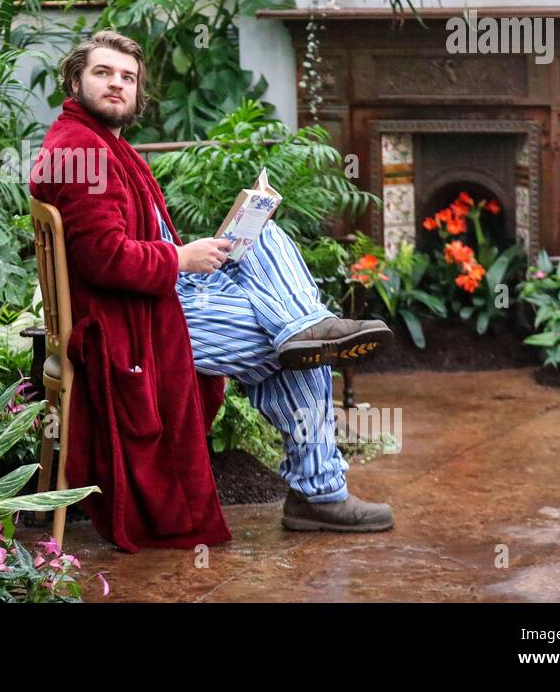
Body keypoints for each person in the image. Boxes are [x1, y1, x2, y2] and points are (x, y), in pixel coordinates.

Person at [28, 30, 395, 553]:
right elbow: (104, 258)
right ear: (74, 80)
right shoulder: (81, 151)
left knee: (261, 232)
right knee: (301, 357)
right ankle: (318, 492)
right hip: (134, 319)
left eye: (127, 78)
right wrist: (181, 258)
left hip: (163, 293)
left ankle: (302, 328)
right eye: (103, 73)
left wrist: (195, 257)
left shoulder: (95, 142)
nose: (117, 84)